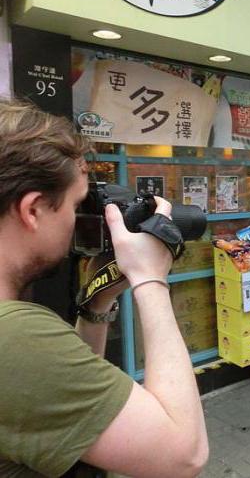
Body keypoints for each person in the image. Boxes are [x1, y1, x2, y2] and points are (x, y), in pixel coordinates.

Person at [0, 100, 208, 476]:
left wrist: (98, 300)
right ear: (32, 210)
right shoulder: (14, 336)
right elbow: (185, 454)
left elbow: (64, 395)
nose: (78, 223)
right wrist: (150, 278)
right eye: (76, 206)